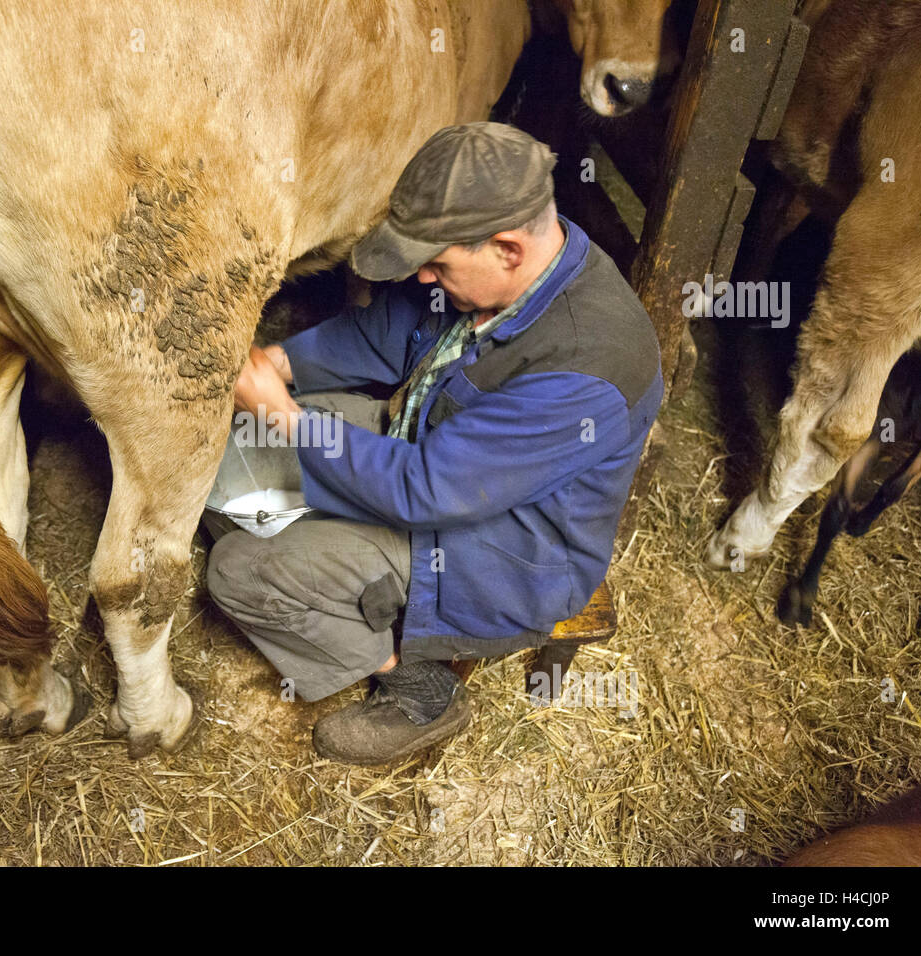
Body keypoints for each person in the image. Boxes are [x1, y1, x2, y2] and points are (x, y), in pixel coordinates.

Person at [207, 122, 663, 766]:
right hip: (425, 445)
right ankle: (336, 562)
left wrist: (286, 417)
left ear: (506, 248)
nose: (423, 278)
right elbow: (385, 335)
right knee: (230, 460)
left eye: (437, 263)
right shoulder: (503, 279)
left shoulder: (588, 365)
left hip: (496, 553)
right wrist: (280, 365)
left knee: (237, 573)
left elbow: (427, 491)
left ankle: (419, 684)